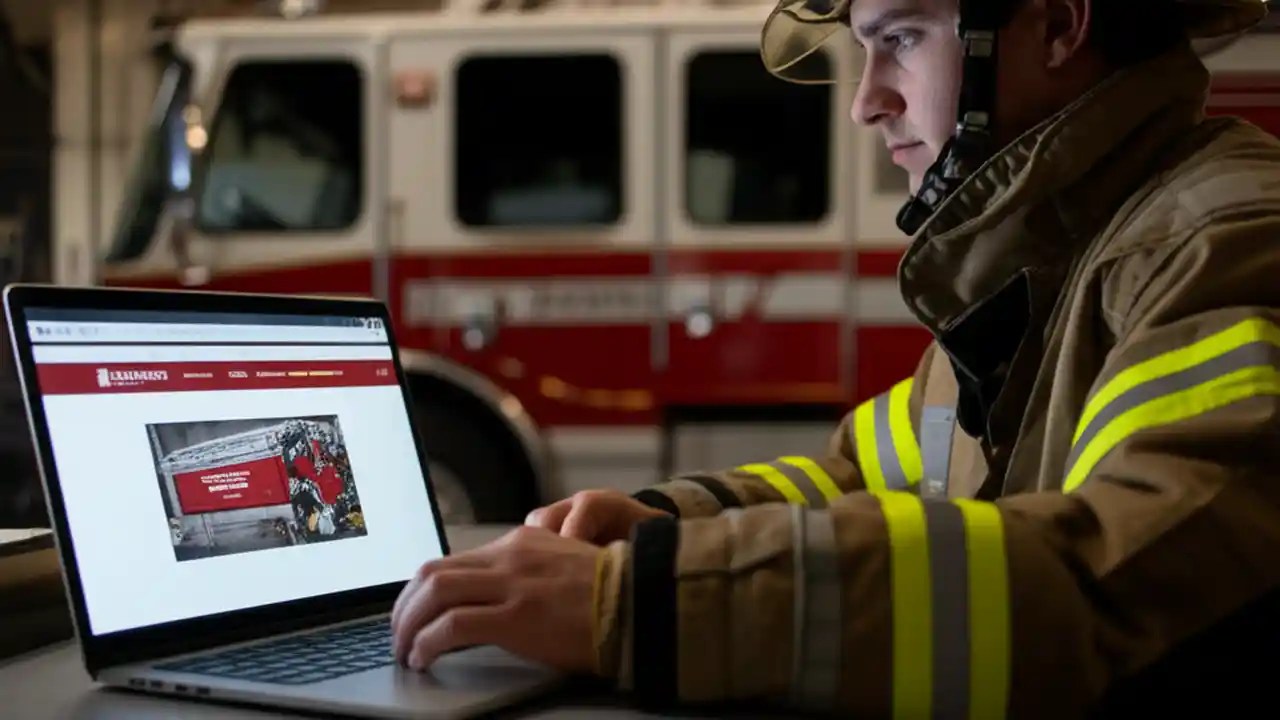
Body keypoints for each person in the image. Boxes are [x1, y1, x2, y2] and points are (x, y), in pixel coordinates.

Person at [390, 0, 1280, 716]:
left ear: (1057, 24)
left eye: (899, 38)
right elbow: (860, 479)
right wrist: (655, 526)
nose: (865, 100)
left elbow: (1110, 592)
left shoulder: (1221, 245)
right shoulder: (1045, 258)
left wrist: (637, 602)